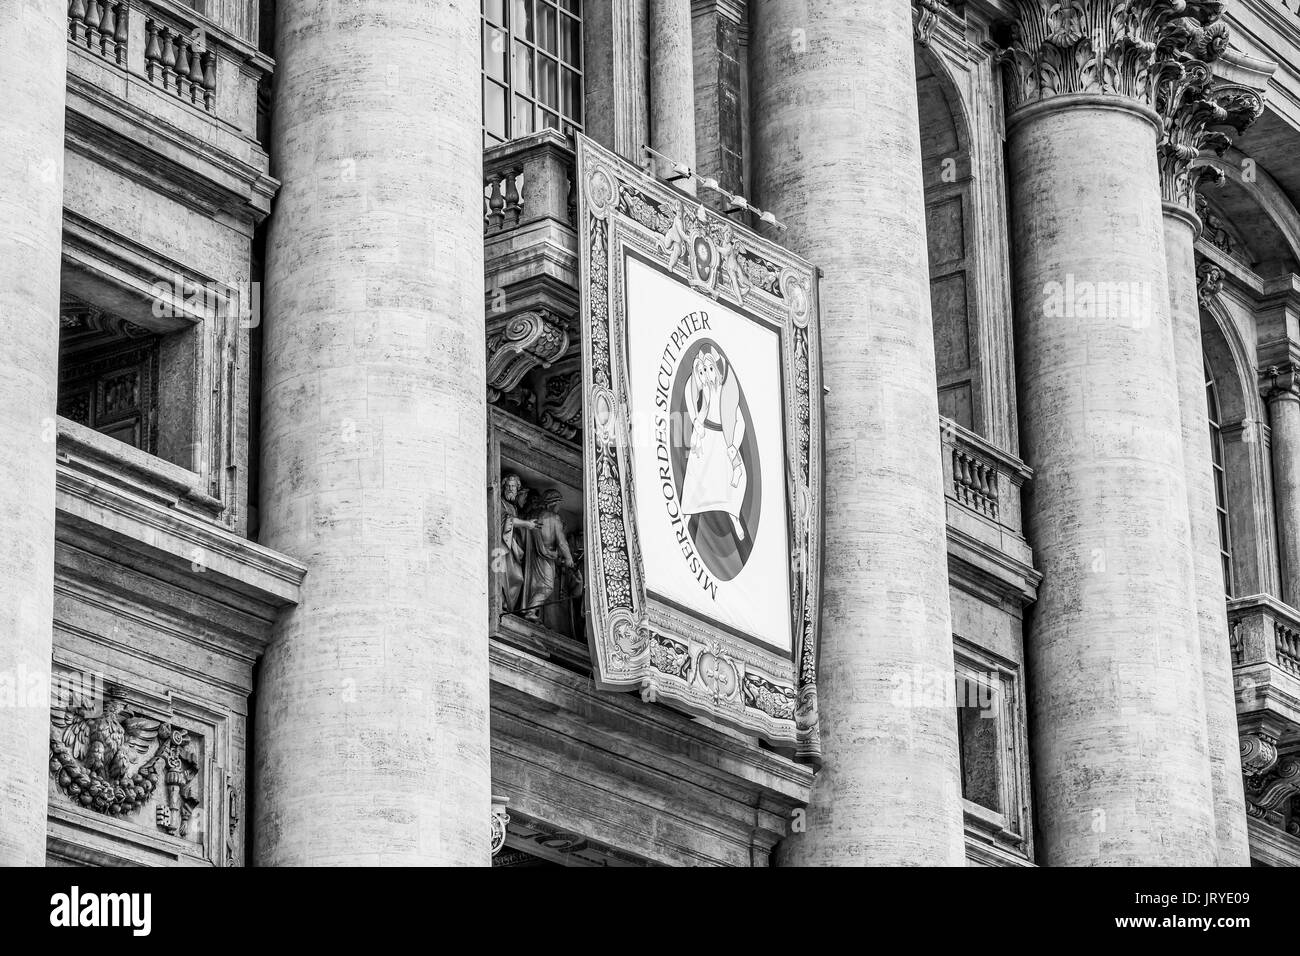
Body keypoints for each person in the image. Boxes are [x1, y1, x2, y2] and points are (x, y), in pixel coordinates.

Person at [680, 345, 748, 540]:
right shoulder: (707, 390)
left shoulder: (728, 393)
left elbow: (739, 421)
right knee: (695, 477)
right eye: (705, 369)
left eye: (711, 368)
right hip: (707, 436)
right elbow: (700, 406)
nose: (708, 374)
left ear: (718, 369)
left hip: (724, 440)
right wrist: (697, 424)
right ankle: (687, 514)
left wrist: (734, 445)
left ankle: (734, 516)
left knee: (736, 481)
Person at [523, 489, 575, 633]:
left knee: (535, 585)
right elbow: (562, 542)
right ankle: (530, 612)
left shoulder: (535, 515)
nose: (559, 507)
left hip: (534, 555)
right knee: (546, 587)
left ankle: (531, 611)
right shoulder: (554, 518)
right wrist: (569, 558)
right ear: (554, 504)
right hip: (547, 555)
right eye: (558, 504)